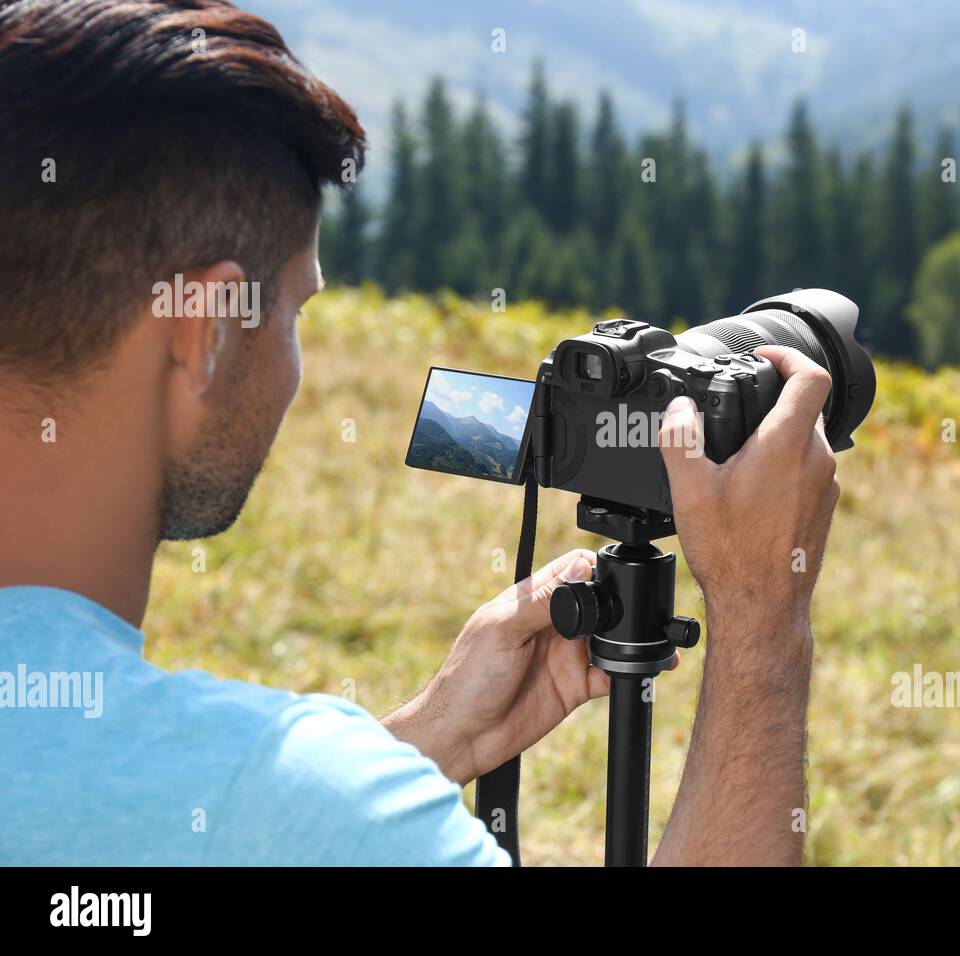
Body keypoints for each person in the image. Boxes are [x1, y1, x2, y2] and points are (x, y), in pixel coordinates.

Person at [0, 0, 840, 866]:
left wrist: (425, 741)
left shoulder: (260, 802)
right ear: (204, 330)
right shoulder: (284, 795)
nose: (296, 367)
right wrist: (760, 620)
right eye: (293, 311)